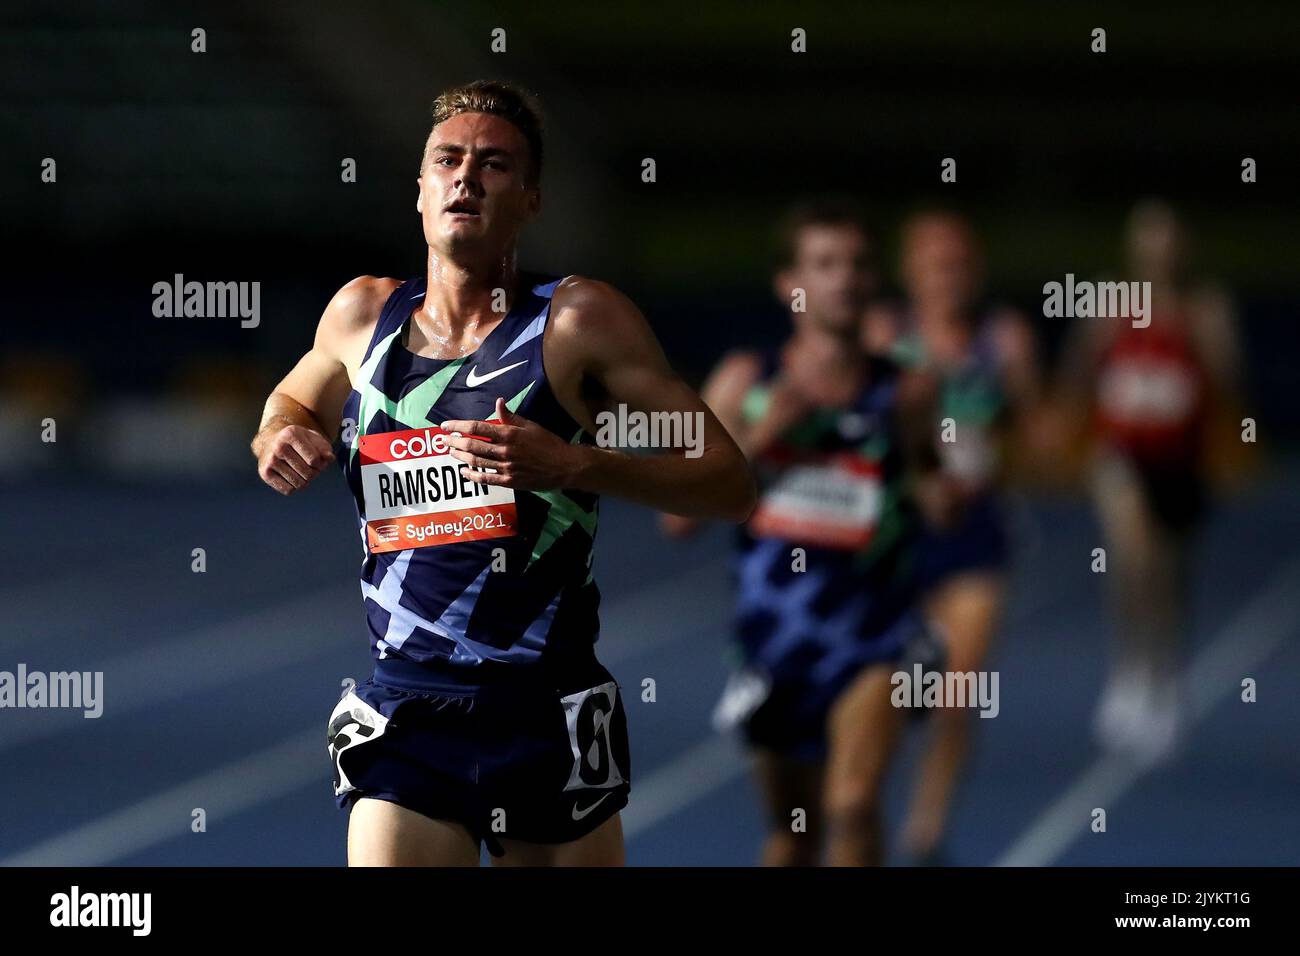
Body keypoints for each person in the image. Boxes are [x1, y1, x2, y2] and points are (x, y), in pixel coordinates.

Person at [250, 80, 754, 866]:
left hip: (546, 710)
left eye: (493, 165)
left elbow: (728, 479)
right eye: (447, 160)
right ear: (419, 189)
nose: (465, 178)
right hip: (407, 708)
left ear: (531, 198)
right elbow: (290, 401)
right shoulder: (359, 316)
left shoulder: (579, 324)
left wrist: (576, 462)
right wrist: (277, 433)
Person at [664, 201, 939, 866]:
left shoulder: (905, 390)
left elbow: (933, 490)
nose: (844, 279)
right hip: (774, 644)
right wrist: (760, 440)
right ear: (790, 283)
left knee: (852, 805)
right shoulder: (745, 381)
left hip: (873, 635)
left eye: (857, 265)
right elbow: (678, 518)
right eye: (825, 264)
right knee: (794, 836)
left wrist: (949, 492)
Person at [864, 211, 1040, 863]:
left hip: (976, 537)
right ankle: (866, 805)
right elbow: (857, 431)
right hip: (895, 538)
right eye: (935, 263)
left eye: (960, 263)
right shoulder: (885, 334)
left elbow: (1036, 442)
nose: (949, 277)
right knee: (885, 692)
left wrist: (1006, 448)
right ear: (910, 271)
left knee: (956, 690)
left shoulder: (1004, 338)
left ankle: (926, 828)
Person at [1063, 200, 1242, 763]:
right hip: (1122, 456)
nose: (1157, 251)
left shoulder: (1204, 307)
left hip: (1181, 460)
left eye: (1167, 240)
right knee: (1130, 556)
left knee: (1168, 572)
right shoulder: (1110, 303)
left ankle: (1165, 673)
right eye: (1147, 239)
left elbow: (1227, 381)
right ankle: (1129, 671)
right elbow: (1079, 372)